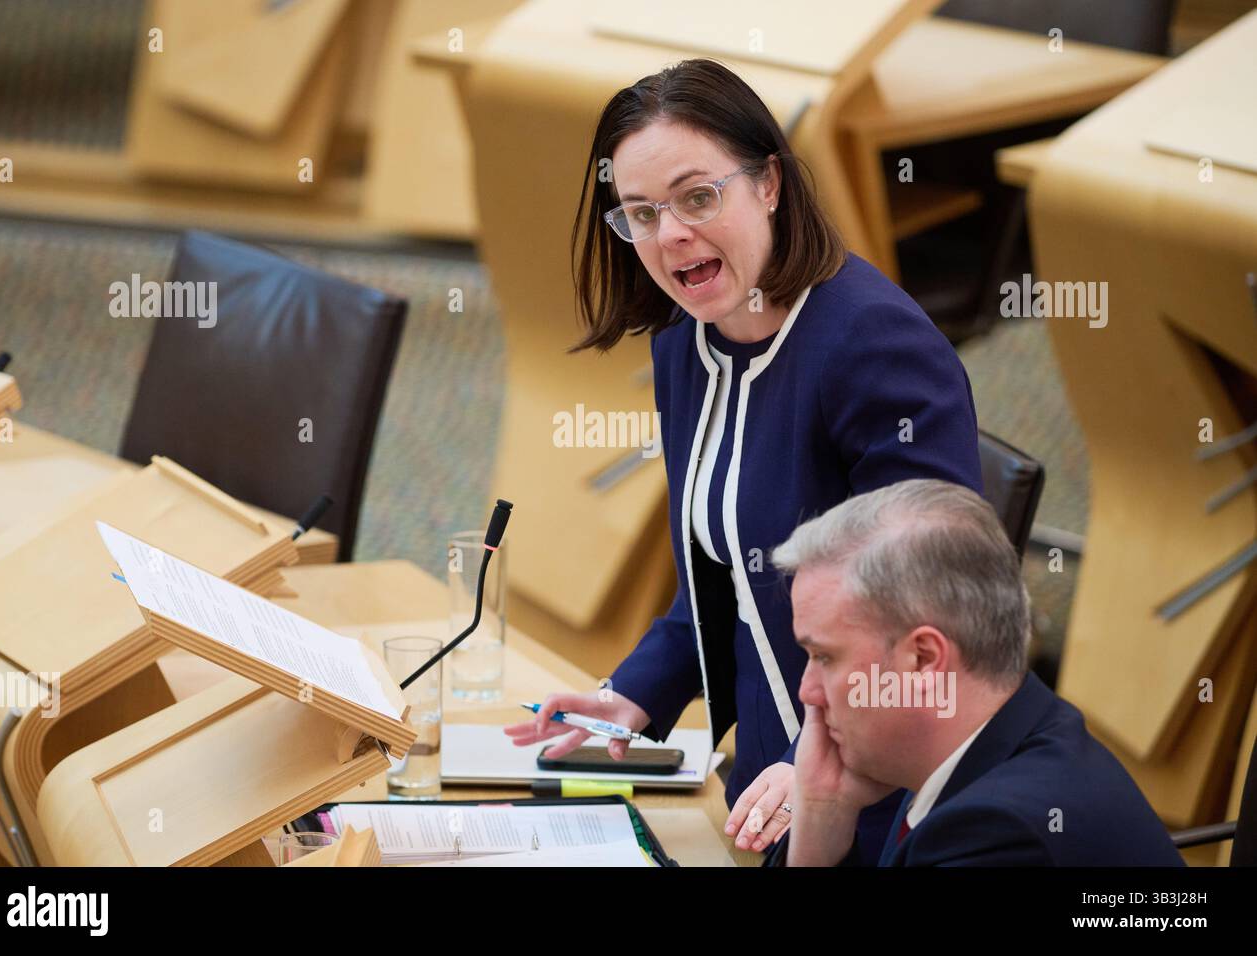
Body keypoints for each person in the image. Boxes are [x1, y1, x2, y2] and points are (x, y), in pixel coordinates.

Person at [504, 58, 982, 857]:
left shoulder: (874, 347)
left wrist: (828, 772)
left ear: (770, 184)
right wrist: (632, 698)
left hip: (882, 805)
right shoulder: (686, 344)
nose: (672, 235)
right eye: (641, 213)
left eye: (698, 197)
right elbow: (722, 578)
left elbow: (941, 613)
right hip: (759, 793)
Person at [763, 479, 1184, 866]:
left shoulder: (999, 833)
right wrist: (823, 811)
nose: (809, 692)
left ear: (924, 661)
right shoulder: (992, 739)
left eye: (824, 657)